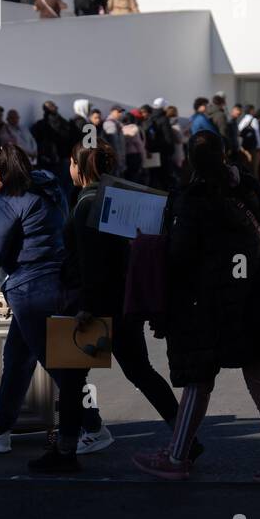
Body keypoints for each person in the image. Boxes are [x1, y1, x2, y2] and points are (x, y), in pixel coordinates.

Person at [133, 131, 260, 482]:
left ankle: (178, 457)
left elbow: (178, 255)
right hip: (252, 295)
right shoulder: (249, 185)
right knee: (259, 375)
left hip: (205, 303)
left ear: (190, 160)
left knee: (198, 378)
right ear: (226, 155)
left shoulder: (190, 199)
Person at [0, 146, 85, 472]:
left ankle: (94, 426)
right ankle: (0, 431)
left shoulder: (7, 201)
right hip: (59, 281)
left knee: (60, 368)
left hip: (30, 290)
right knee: (16, 359)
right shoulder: (48, 184)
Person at [62, 141, 187, 455]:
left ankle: (64, 451)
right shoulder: (115, 198)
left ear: (80, 167)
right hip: (124, 299)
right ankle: (186, 438)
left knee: (71, 376)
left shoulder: (86, 203)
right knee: (140, 371)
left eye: (71, 163)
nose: (69, 169)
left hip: (97, 305)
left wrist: (87, 307)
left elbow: (91, 263)